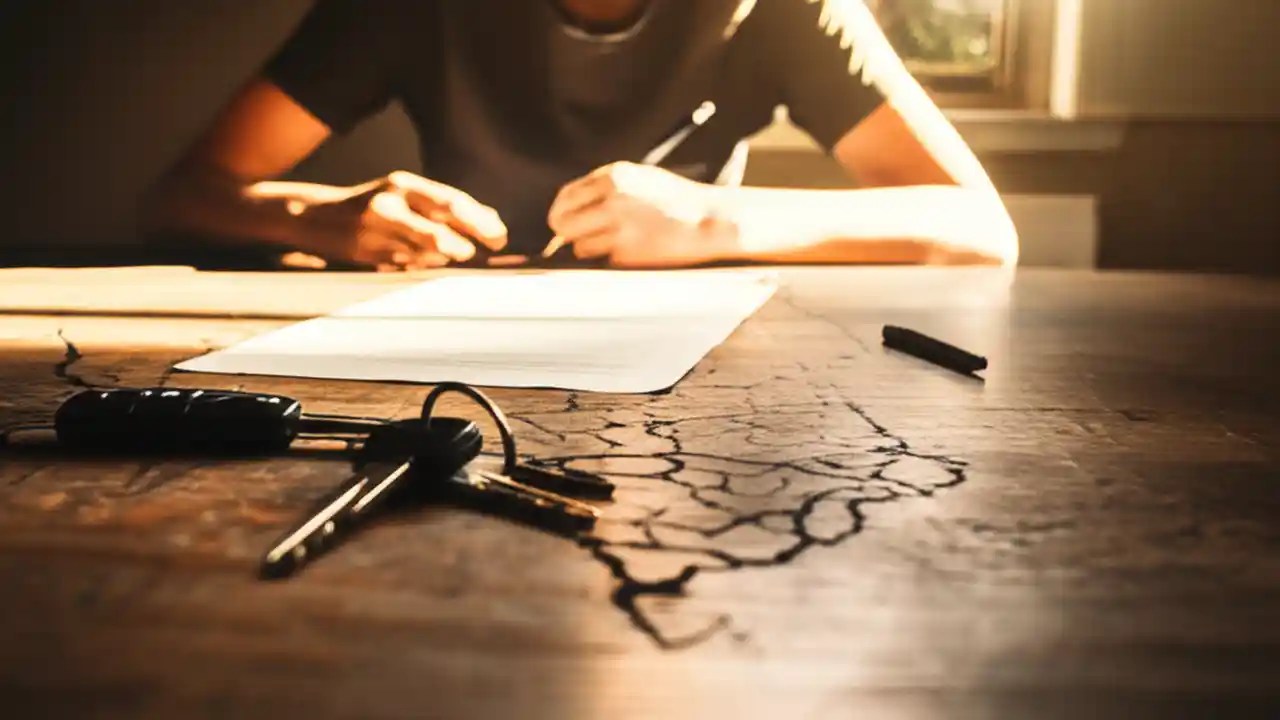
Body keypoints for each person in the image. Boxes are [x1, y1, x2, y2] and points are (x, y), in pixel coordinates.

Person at [140, 0, 1019, 271]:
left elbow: (982, 230)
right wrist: (318, 217)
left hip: (690, 386)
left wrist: (716, 221)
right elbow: (183, 197)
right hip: (446, 371)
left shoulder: (786, 10)